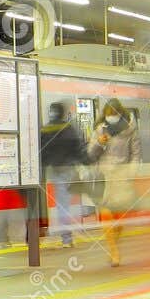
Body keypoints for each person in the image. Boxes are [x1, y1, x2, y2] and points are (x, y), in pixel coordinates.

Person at [88, 98, 139, 266]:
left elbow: (135, 154)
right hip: (105, 175)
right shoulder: (100, 129)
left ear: (119, 114)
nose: (111, 118)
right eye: (108, 115)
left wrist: (131, 173)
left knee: (120, 218)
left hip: (122, 177)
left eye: (113, 115)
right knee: (107, 215)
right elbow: (90, 154)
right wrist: (99, 144)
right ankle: (114, 251)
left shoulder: (130, 129)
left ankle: (114, 244)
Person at [40, 101, 90, 248]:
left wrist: (44, 166)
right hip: (71, 169)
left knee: (62, 205)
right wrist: (87, 162)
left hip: (56, 170)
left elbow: (43, 152)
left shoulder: (45, 130)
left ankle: (66, 238)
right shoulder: (70, 129)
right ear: (63, 113)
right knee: (78, 195)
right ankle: (84, 214)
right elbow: (79, 149)